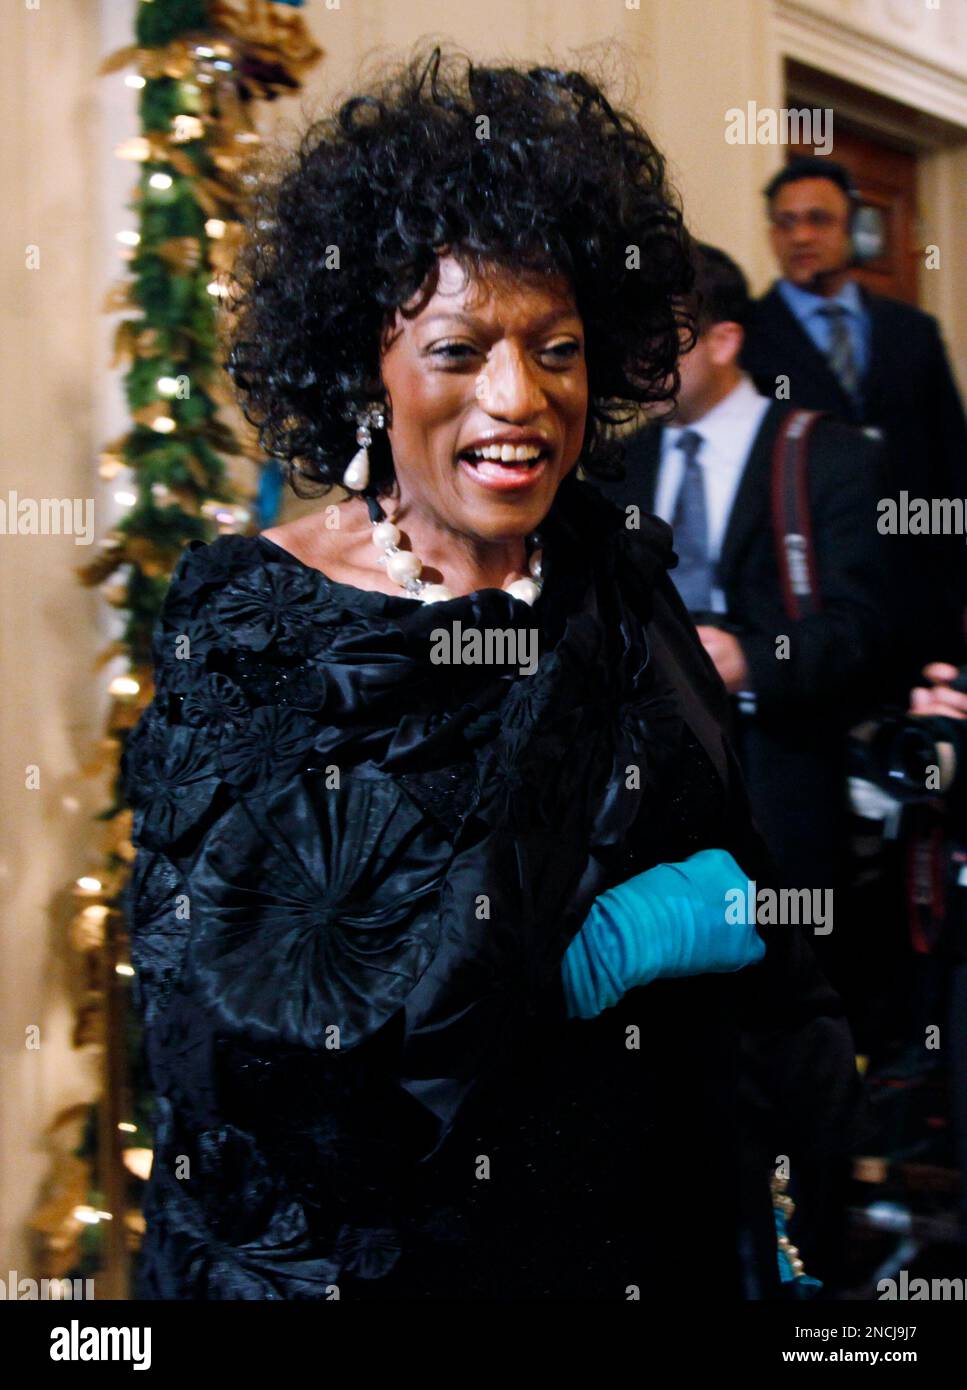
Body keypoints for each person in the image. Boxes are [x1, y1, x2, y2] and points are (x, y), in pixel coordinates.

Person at [122, 48, 865, 1301]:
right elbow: (269, 1059)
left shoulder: (611, 566)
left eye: (558, 347)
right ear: (369, 364)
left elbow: (737, 882)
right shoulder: (254, 619)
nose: (517, 399)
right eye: (460, 350)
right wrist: (604, 943)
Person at [596, 244, 888, 903]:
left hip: (780, 784)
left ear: (723, 341)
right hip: (640, 787)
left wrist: (749, 661)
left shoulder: (827, 455)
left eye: (658, 338)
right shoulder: (618, 464)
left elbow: (864, 632)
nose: (635, 359)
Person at [740, 156, 967, 696]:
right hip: (812, 605)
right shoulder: (746, 338)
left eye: (818, 220)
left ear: (852, 230)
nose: (800, 236)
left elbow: (954, 465)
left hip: (922, 600)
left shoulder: (911, 331)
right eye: (785, 222)